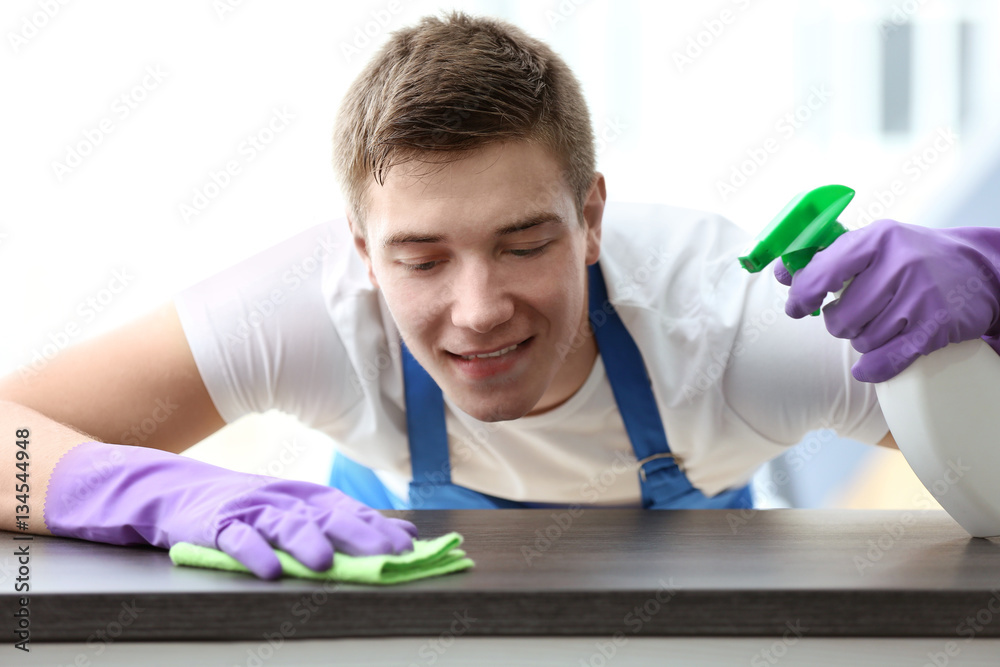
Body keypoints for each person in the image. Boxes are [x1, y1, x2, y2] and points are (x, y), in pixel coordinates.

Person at [3, 11, 1000, 580]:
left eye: (523, 243)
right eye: (422, 259)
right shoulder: (307, 309)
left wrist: (990, 293)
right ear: (359, 249)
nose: (477, 307)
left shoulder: (731, 331)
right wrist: (161, 491)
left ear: (592, 218)